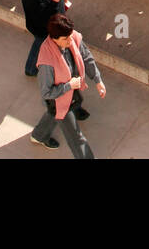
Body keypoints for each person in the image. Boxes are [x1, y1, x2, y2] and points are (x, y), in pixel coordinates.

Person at [31, 15, 106, 156]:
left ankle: (39, 135)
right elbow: (47, 93)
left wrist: (98, 80)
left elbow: (87, 57)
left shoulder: (72, 37)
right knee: (77, 138)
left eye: (70, 36)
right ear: (54, 39)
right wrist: (69, 86)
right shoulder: (47, 62)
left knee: (54, 113)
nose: (70, 41)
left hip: (72, 91)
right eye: (65, 39)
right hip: (59, 100)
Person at [21, 0, 70, 77]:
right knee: (40, 46)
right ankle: (31, 69)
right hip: (42, 28)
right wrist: (54, 0)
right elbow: (39, 17)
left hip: (55, 20)